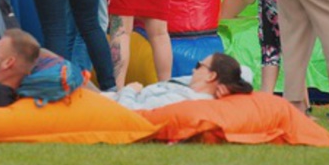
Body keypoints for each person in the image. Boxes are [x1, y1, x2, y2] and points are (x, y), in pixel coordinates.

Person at [108, 52, 253, 110]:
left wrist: (129, 90)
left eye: (199, 66)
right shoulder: (191, 88)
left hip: (114, 103)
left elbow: (128, 113)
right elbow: (246, 71)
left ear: (211, 76)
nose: (193, 70)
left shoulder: (179, 100)